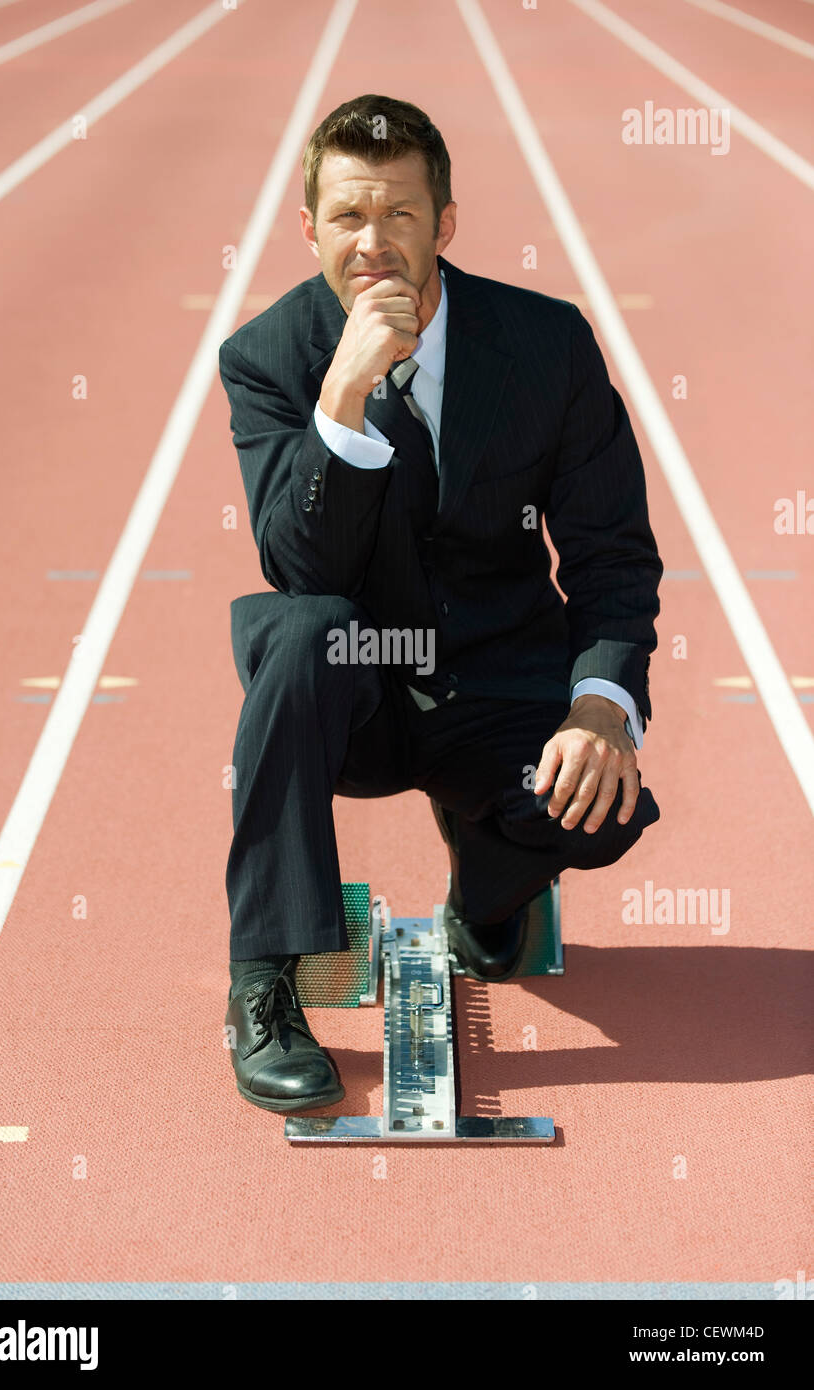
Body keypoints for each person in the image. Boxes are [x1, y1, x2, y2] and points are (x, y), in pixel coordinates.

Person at [218, 95, 662, 1114]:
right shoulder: (268, 358)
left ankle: (489, 883)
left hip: (497, 680)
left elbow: (611, 552)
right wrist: (344, 397)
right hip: (355, 695)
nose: (373, 244)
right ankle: (263, 981)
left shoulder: (545, 346)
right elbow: (299, 564)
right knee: (298, 631)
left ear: (445, 222)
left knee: (606, 808)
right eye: (347, 218)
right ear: (310, 229)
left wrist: (600, 703)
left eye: (401, 216)